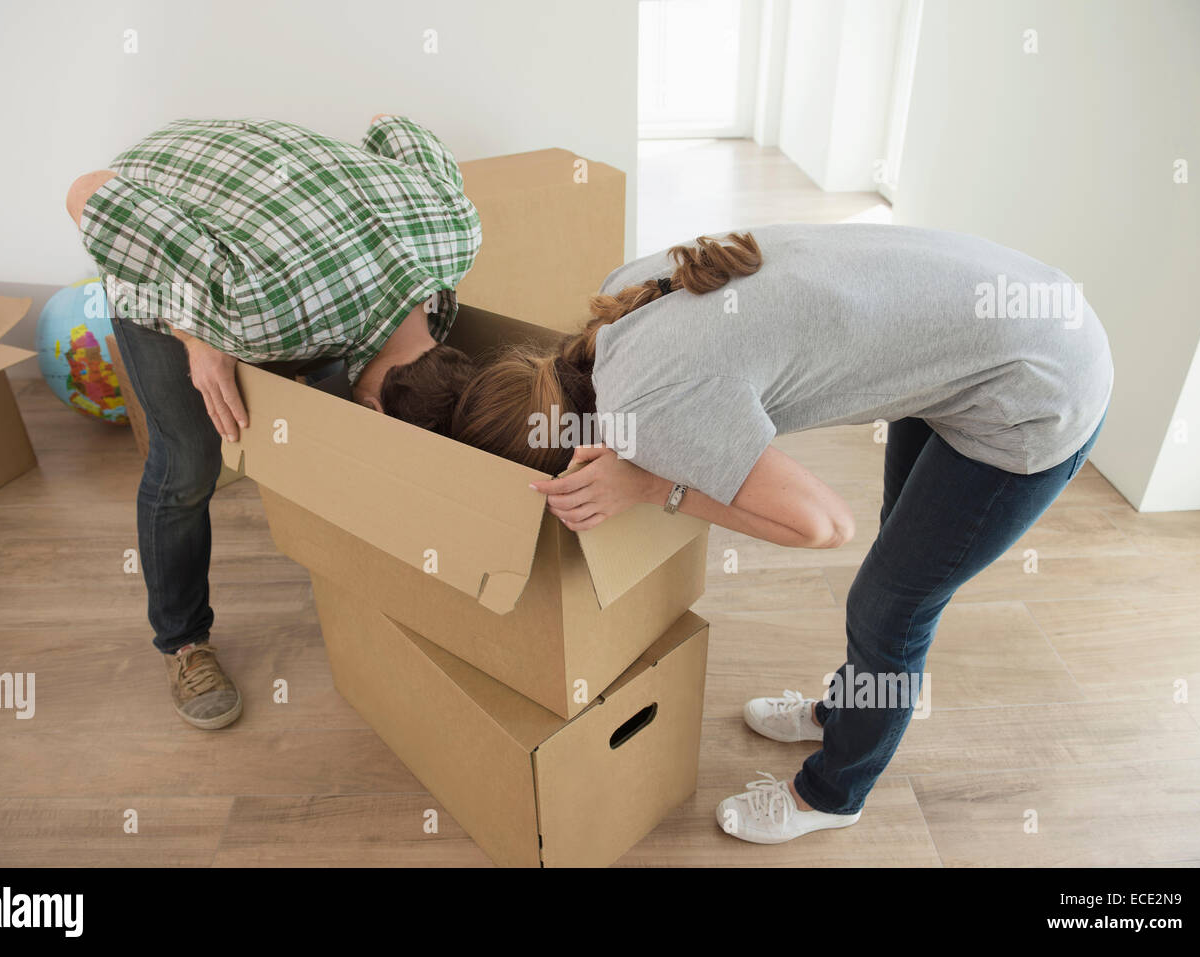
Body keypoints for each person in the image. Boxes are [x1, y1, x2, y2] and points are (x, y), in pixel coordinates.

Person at [442, 223, 1113, 844]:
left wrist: (649, 485)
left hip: (1037, 389)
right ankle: (841, 709)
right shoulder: (618, 301)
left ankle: (832, 794)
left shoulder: (647, 411)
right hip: (982, 318)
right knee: (899, 549)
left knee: (891, 606)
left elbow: (825, 525)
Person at [66, 114, 481, 730]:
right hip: (154, 196)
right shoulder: (255, 309)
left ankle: (359, 594)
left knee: (315, 419)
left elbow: (390, 128)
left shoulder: (460, 229)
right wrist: (200, 329)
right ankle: (183, 643)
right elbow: (86, 191)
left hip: (265, 216)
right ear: (375, 411)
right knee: (188, 464)